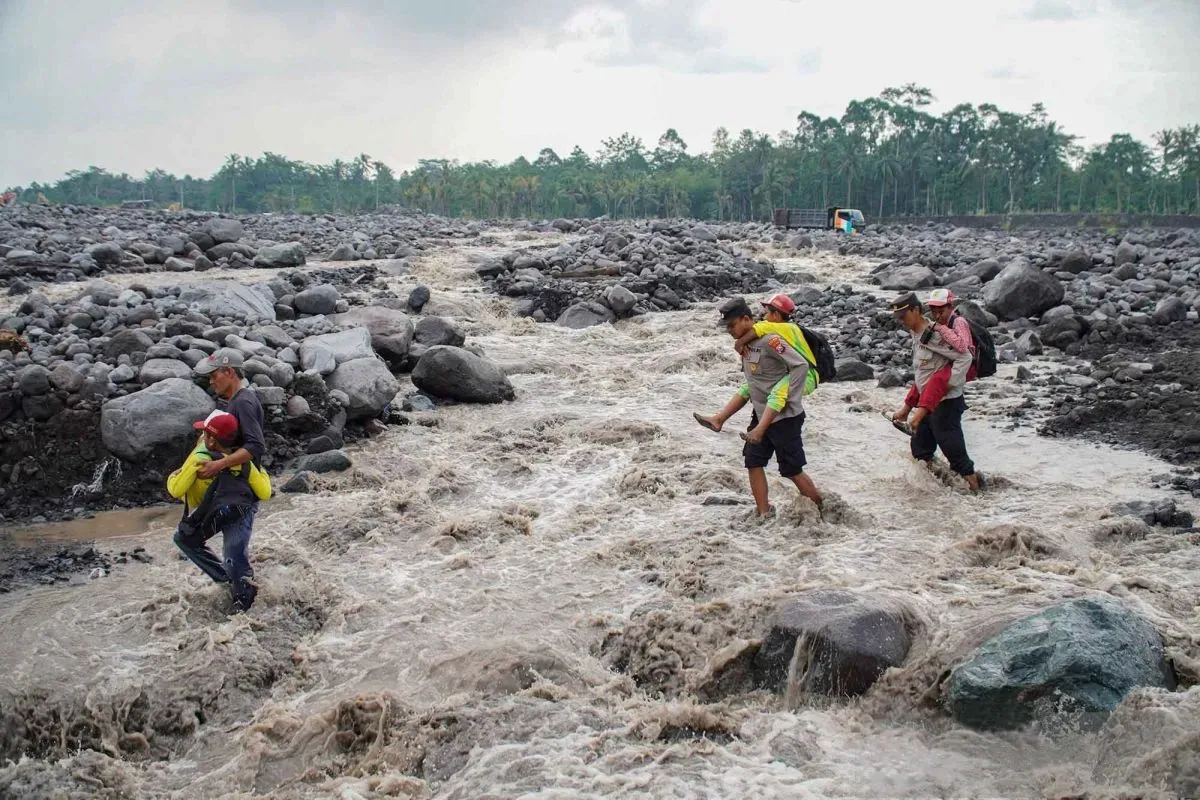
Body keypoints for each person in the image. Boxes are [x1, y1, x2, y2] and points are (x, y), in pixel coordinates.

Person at [693, 297, 823, 518]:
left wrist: (788, 395)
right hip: (760, 414)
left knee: (791, 470)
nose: (731, 332)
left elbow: (800, 365)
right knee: (753, 462)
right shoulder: (747, 345)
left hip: (785, 418)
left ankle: (822, 509)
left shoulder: (771, 340)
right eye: (727, 328)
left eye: (733, 326)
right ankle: (763, 513)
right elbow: (753, 382)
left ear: (746, 319)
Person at [176, 348, 269, 611]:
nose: (211, 381)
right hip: (225, 492)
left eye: (213, 375)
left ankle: (245, 607)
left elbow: (255, 446)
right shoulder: (233, 402)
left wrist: (219, 464)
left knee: (234, 554)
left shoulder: (245, 402)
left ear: (229, 372)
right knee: (188, 539)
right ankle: (235, 588)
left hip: (241, 494)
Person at [889, 293, 983, 492]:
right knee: (920, 451)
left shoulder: (936, 335)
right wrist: (907, 407)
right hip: (926, 403)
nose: (901, 322)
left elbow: (965, 357)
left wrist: (949, 384)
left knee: (956, 456)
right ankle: (931, 496)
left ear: (915, 310)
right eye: (898, 318)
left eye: (903, 316)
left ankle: (977, 497)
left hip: (946, 404)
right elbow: (923, 373)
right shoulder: (917, 333)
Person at [731, 293, 820, 395]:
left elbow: (759, 328)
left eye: (766, 313)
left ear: (776, 315)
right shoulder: (784, 328)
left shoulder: (786, 327)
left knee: (777, 395)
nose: (764, 317)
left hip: (806, 377)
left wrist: (739, 343)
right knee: (751, 386)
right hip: (794, 374)